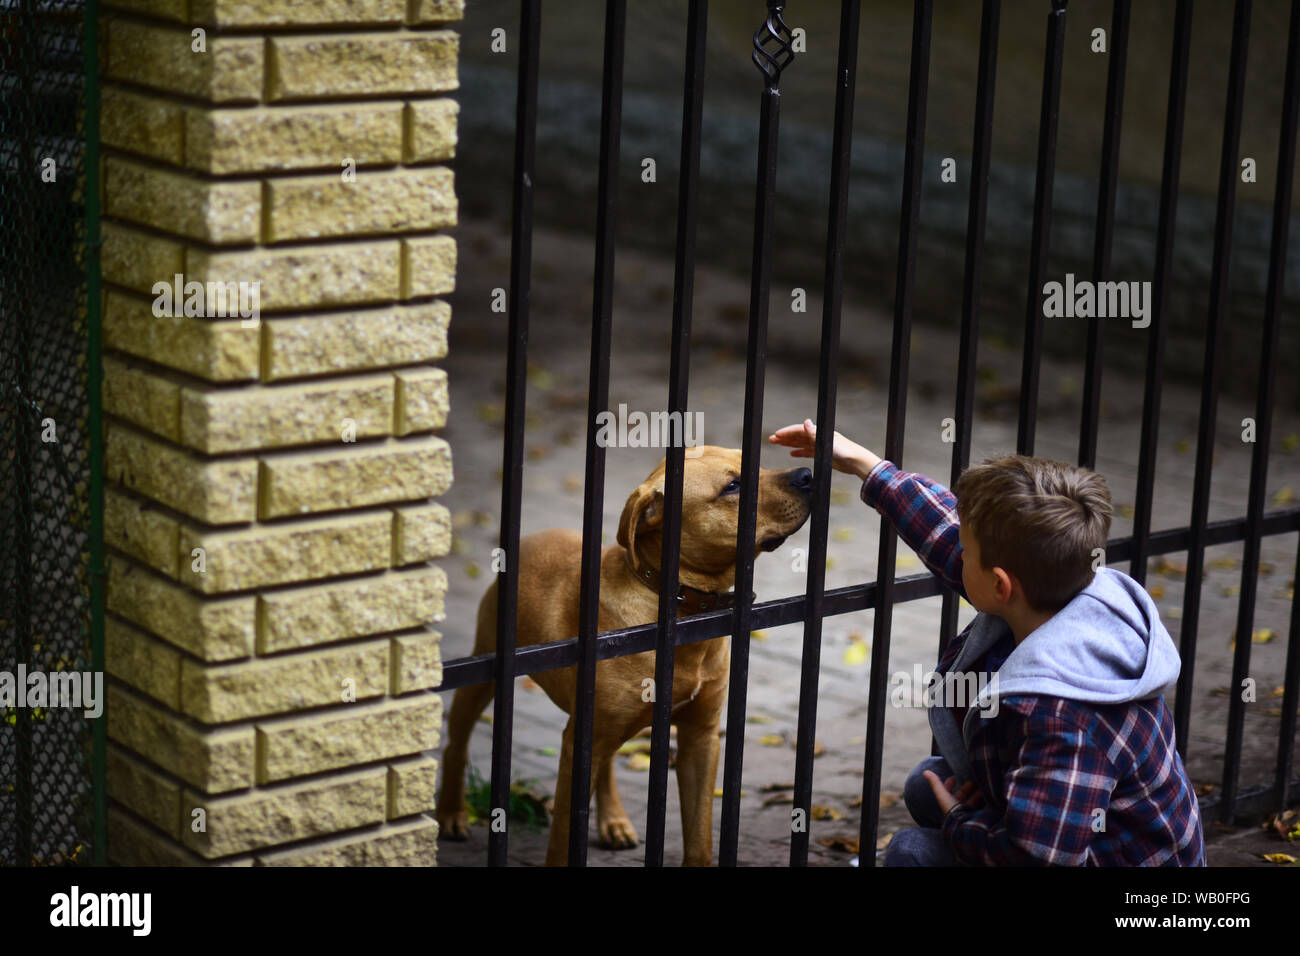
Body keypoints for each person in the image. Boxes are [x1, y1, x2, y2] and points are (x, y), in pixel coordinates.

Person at [769, 419, 1206, 866]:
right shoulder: (1067, 588)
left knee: (910, 852)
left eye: (967, 549)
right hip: (1075, 825)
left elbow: (1034, 858)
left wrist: (960, 820)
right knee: (927, 783)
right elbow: (944, 531)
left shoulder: (1061, 717)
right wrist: (866, 466)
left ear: (1000, 585)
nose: (958, 552)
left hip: (1096, 859)